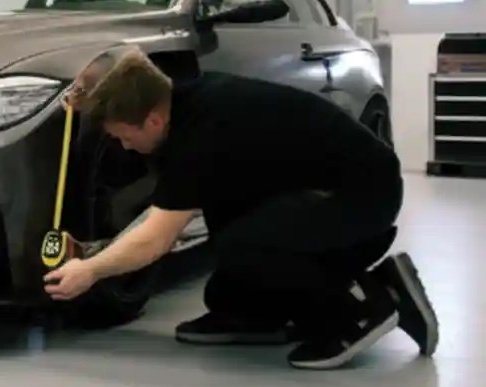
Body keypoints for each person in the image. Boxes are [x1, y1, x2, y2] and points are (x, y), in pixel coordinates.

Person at [43, 48, 439, 370]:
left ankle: (363, 307)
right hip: (327, 193)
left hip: (362, 198)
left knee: (241, 247)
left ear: (152, 119)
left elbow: (156, 238)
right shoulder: (185, 105)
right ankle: (262, 316)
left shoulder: (198, 136)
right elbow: (162, 211)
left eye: (123, 136)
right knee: (226, 291)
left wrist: (91, 271)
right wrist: (99, 251)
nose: (124, 146)